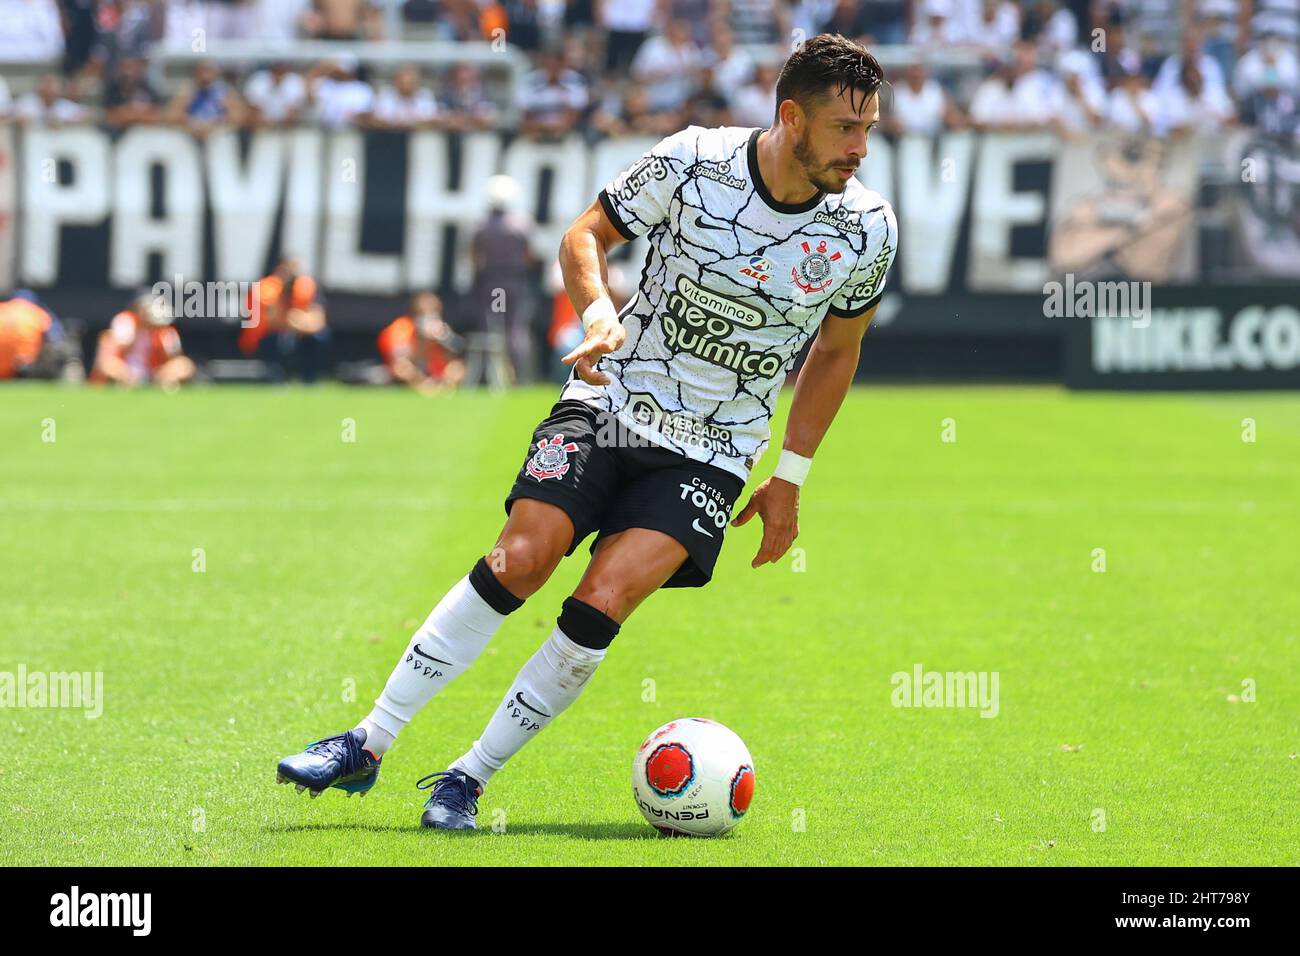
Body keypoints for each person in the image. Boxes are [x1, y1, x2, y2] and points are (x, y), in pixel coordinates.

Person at [276, 33, 898, 830]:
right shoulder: (696, 160)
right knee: (521, 558)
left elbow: (837, 350)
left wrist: (792, 475)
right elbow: (584, 236)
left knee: (603, 597)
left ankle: (465, 779)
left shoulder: (866, 229)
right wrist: (599, 310)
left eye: (870, 129)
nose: (860, 149)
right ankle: (368, 741)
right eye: (847, 129)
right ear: (792, 117)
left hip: (715, 450)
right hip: (612, 400)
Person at [240, 258, 330, 383]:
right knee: (276, 340)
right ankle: (276, 378)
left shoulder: (307, 286)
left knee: (319, 337)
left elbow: (318, 321)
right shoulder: (266, 288)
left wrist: (298, 323)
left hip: (299, 331)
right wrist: (291, 318)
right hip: (267, 335)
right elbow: (271, 320)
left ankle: (310, 379)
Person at [90, 293, 195, 390]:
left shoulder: (165, 331)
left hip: (152, 374)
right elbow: (109, 353)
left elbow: (174, 358)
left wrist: (165, 373)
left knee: (185, 365)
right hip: (127, 370)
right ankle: (126, 382)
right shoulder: (127, 321)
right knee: (108, 364)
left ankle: (160, 383)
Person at [376, 292, 465, 393]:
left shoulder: (441, 329)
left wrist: (443, 340)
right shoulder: (400, 329)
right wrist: (421, 340)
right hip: (410, 375)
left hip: (435, 372)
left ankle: (443, 391)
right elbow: (399, 362)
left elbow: (453, 357)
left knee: (457, 367)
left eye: (434, 312)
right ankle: (426, 389)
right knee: (402, 368)